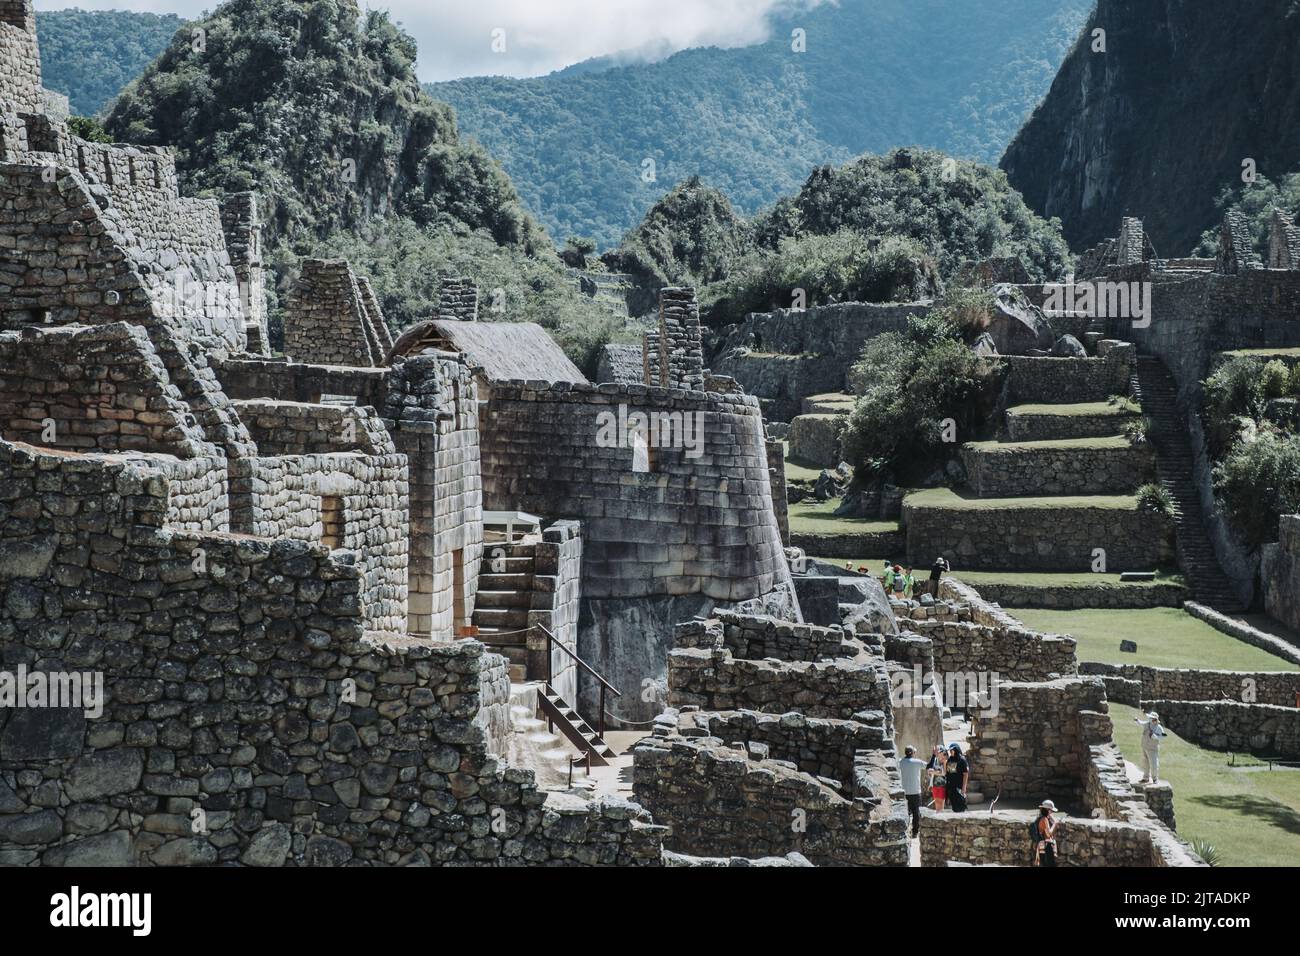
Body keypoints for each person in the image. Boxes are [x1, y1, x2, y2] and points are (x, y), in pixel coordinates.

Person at [899, 745, 927, 837]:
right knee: (916, 813)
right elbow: (929, 766)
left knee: (905, 812)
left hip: (904, 792)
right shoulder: (917, 762)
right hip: (915, 792)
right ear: (913, 753)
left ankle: (905, 831)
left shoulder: (900, 762)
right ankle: (915, 832)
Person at [1135, 711, 1167, 783]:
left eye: (1152, 718)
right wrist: (1137, 720)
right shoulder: (1147, 724)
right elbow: (1141, 723)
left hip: (1152, 748)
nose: (1150, 719)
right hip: (1145, 746)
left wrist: (1155, 737)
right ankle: (1145, 778)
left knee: (1154, 764)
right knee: (1145, 763)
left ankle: (1155, 778)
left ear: (1155, 719)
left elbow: (1163, 736)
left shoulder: (1158, 727)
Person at [1032, 800, 1059, 867]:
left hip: (1042, 846)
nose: (1051, 812)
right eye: (1051, 811)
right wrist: (1055, 824)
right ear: (1048, 810)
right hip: (1046, 846)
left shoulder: (1040, 818)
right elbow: (1048, 834)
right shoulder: (1044, 820)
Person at [945, 743, 969, 812]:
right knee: (954, 807)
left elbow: (965, 774)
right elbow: (949, 772)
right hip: (951, 787)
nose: (950, 752)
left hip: (959, 787)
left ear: (956, 750)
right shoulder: (950, 759)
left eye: (952, 750)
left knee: (961, 806)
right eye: (950, 750)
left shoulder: (962, 760)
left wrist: (964, 787)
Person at [926, 745, 947, 811]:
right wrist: (930, 784)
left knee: (941, 805)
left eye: (938, 751)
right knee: (937, 805)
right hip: (935, 786)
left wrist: (934, 772)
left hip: (943, 786)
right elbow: (929, 769)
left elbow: (944, 773)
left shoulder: (945, 761)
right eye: (936, 751)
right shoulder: (935, 760)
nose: (936, 753)